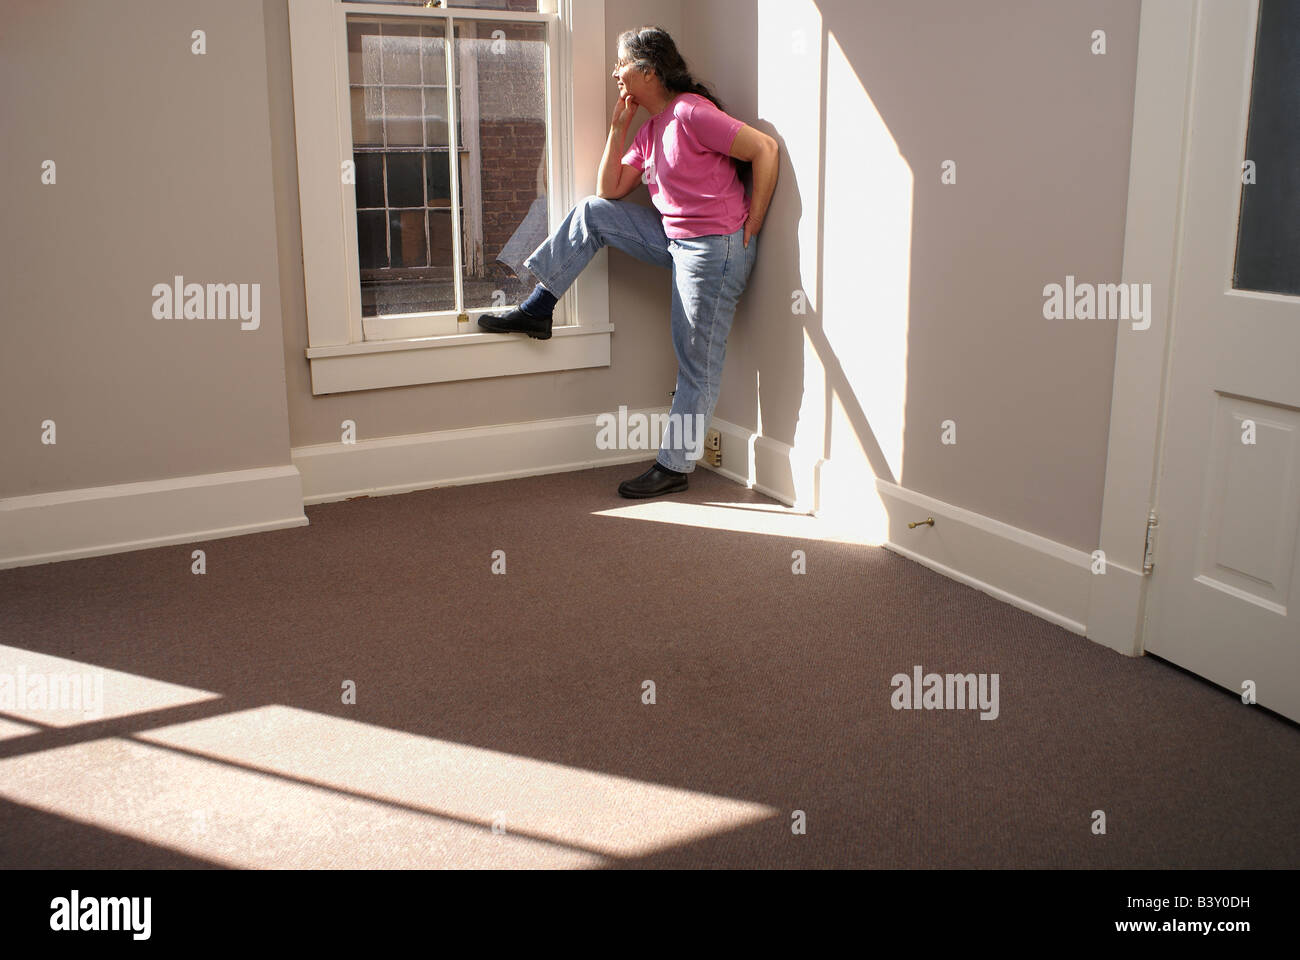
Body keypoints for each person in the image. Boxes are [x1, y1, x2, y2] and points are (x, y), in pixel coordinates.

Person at [479, 25, 779, 499]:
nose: (616, 71)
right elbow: (609, 190)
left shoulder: (691, 112)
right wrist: (619, 127)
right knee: (592, 213)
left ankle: (674, 465)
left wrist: (753, 226)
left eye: (622, 63)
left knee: (695, 361)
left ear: (648, 69)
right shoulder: (653, 127)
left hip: (713, 248)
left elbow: (764, 149)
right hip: (675, 239)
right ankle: (539, 308)